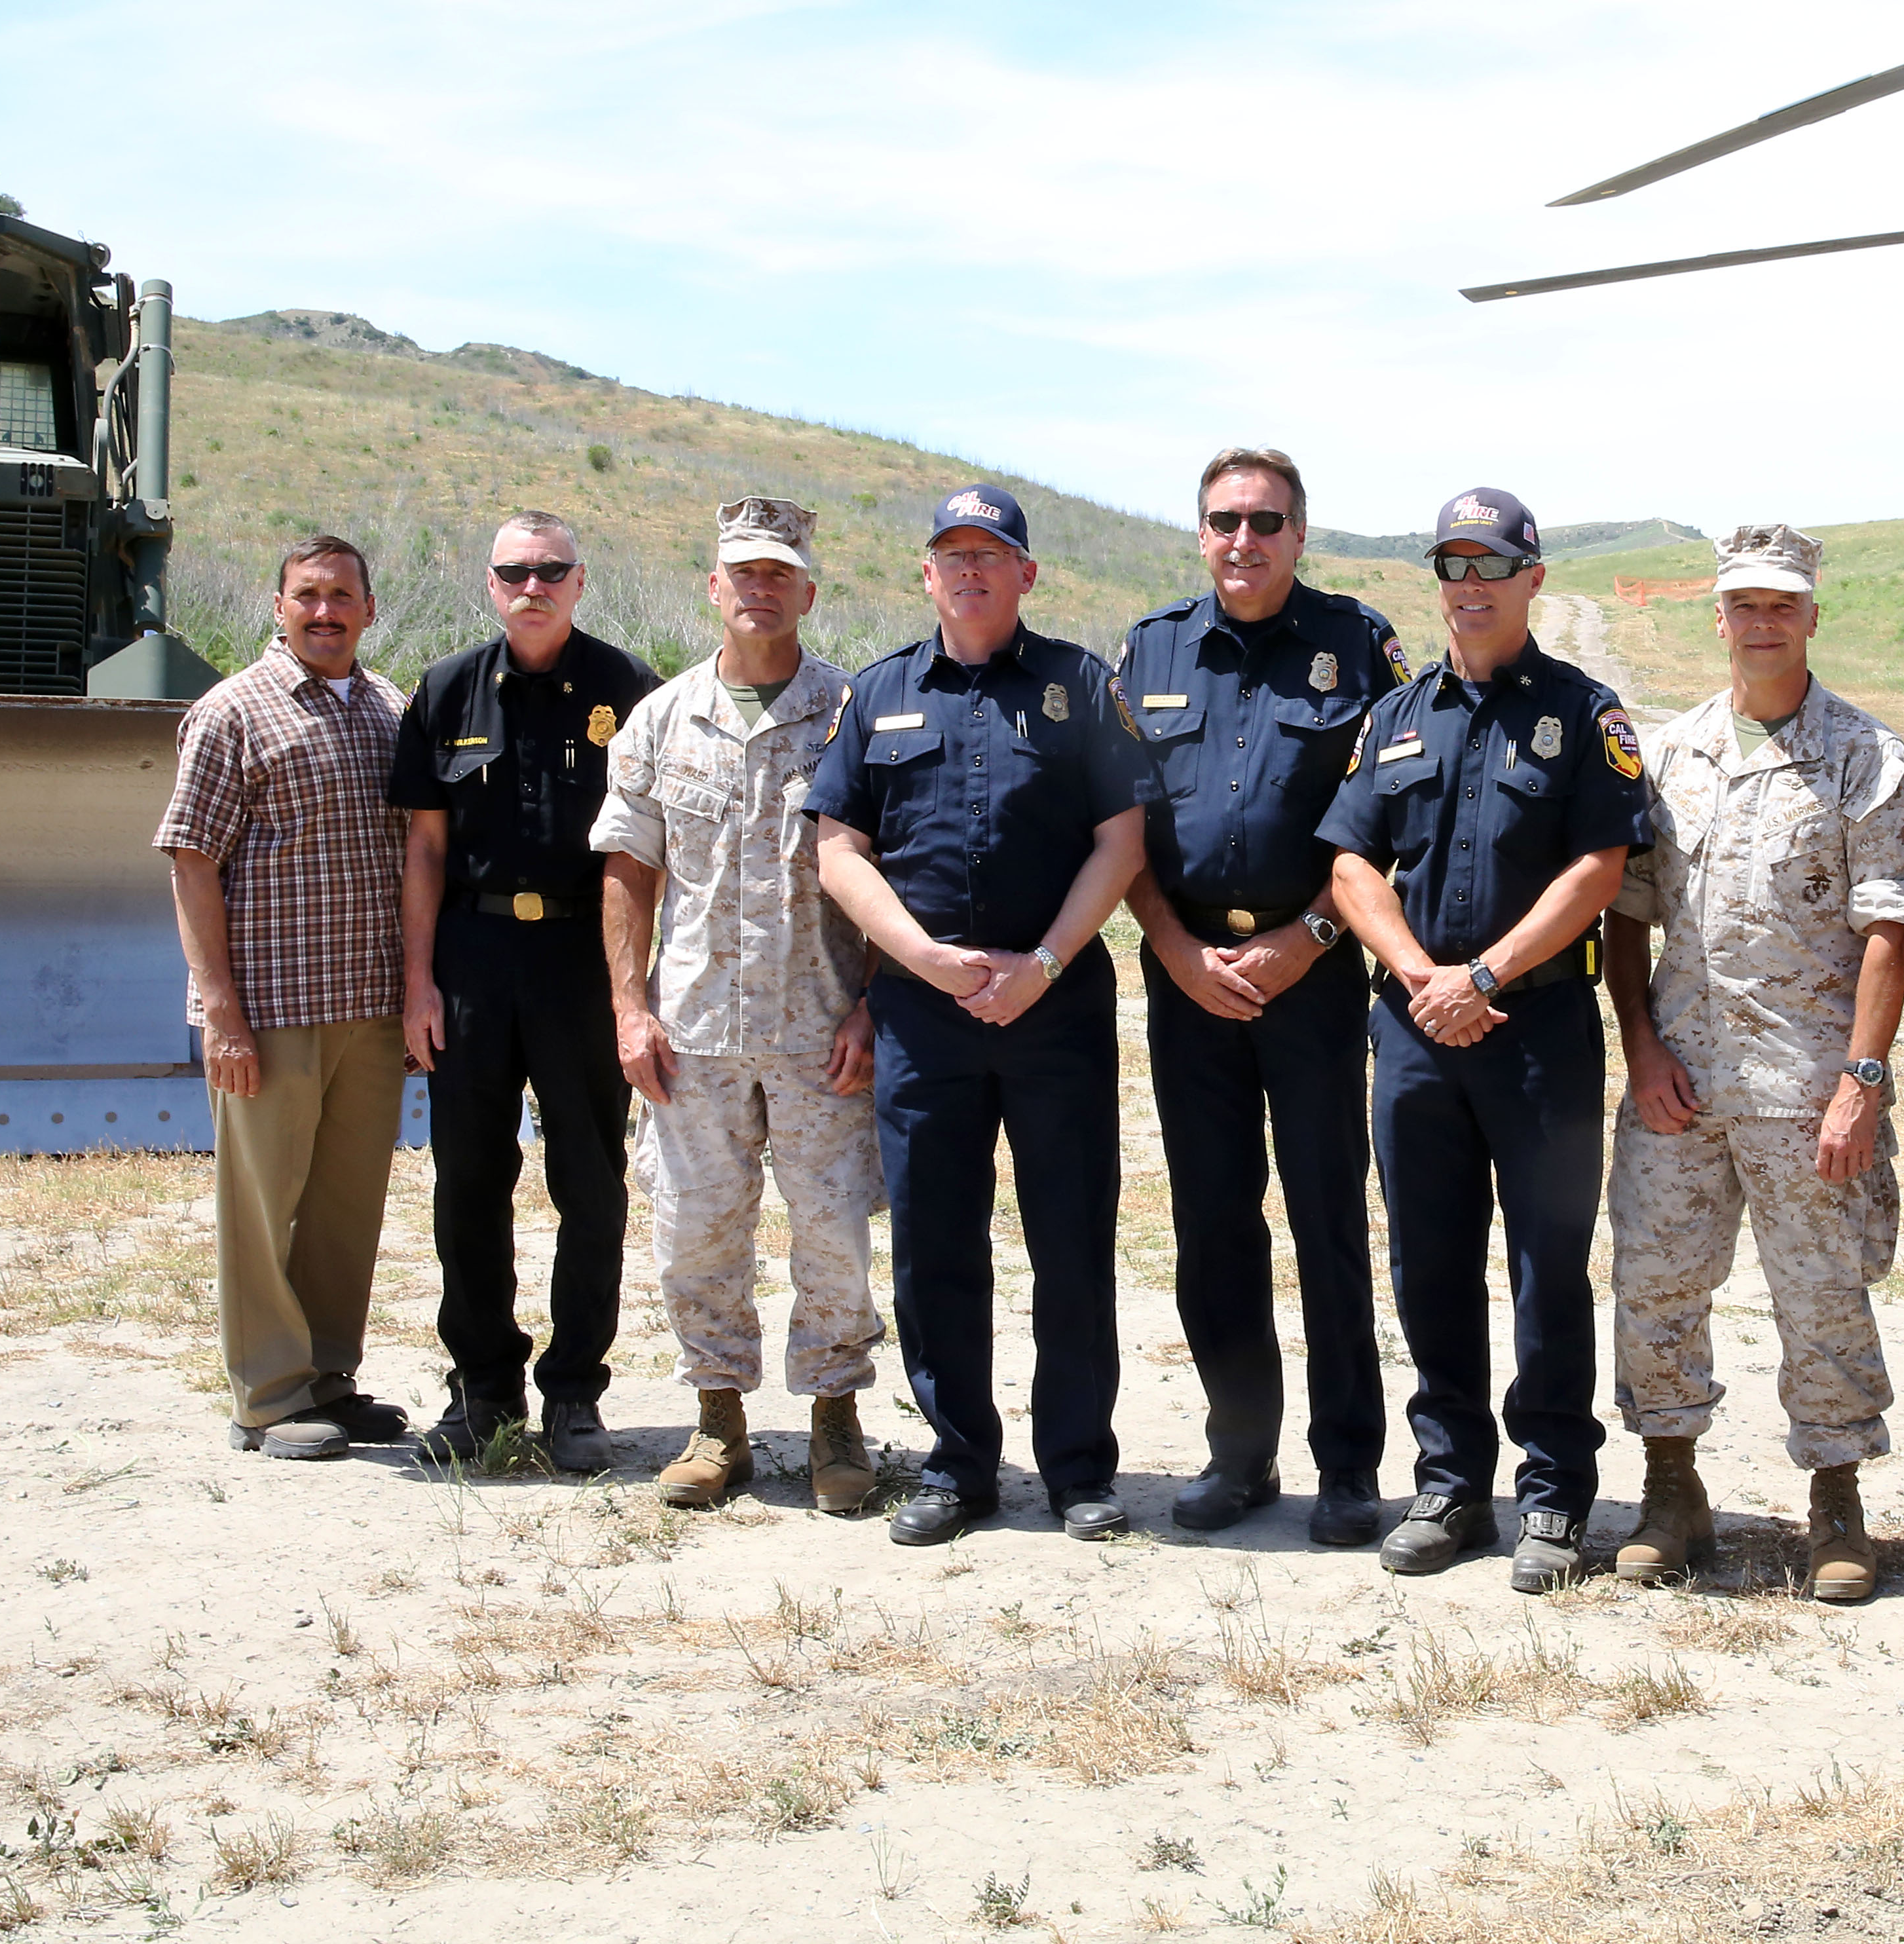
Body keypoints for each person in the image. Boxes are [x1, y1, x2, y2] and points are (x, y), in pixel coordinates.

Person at [808, 484, 1155, 1546]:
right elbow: (836, 849)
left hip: (1054, 1011)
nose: (970, 571)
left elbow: (1123, 836)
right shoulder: (876, 696)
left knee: (1071, 1242)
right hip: (924, 1017)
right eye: (951, 556)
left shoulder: (1082, 687)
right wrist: (920, 960)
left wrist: (1046, 962)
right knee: (936, 1244)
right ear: (926, 575)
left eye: (990, 555)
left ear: (1026, 574)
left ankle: (1079, 1471)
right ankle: (957, 1466)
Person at [1318, 488, 1647, 1588]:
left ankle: (1554, 1495)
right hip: (1416, 1030)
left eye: (1491, 567)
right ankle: (1452, 1481)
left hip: (1539, 1024)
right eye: (1453, 567)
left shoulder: (1585, 714)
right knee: (1429, 1264)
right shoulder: (1398, 713)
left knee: (1548, 1266)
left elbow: (1600, 867)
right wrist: (1421, 977)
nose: (1470, 586)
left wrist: (1488, 973)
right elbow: (1353, 863)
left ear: (1532, 581)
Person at [1601, 523, 1904, 1605]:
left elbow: (1892, 930)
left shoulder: (1868, 759)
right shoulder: (1672, 752)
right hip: (1680, 1080)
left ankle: (1835, 1501)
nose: (1761, 623)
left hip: (1808, 1084)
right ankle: (1670, 1487)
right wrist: (1640, 1045)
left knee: (1824, 1293)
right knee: (1655, 1280)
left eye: (1781, 605)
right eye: (1744, 605)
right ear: (1720, 616)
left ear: (1812, 617)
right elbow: (1630, 914)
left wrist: (1862, 1081)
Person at [1116, 447, 1409, 1546]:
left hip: (1317, 982)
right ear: (1201, 533)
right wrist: (1177, 950)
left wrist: (1313, 935)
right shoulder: (1149, 651)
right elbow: (1124, 829)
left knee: (1329, 1219)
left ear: (1301, 533)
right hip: (1189, 982)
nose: (1246, 539)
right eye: (1226, 520)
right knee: (1213, 1224)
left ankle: (1346, 1470)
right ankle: (1238, 1455)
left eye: (1268, 521)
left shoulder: (1357, 647)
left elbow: (1392, 823)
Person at [591, 498, 883, 1516]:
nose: (759, 589)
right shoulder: (662, 720)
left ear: (809, 590)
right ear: (713, 588)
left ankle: (836, 1418)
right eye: (741, 573)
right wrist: (632, 1008)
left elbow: (902, 867)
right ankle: (718, 1419)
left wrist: (873, 1008)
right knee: (695, 1233)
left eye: (779, 573)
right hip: (695, 1031)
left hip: (821, 1026)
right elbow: (629, 870)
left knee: (835, 1232)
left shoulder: (856, 712)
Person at [390, 513, 662, 1476]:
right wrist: (418, 980)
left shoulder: (628, 690)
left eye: (551, 571)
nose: (532, 587)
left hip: (583, 956)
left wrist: (636, 990)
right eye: (514, 573)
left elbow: (647, 850)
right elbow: (423, 848)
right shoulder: (446, 689)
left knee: (589, 1182)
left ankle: (576, 1393)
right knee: (466, 1178)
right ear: (491, 586)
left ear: (580, 582)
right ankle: (482, 1386)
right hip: (472, 953)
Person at [155, 535, 415, 1462]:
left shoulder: (394, 711)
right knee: (262, 1210)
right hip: (268, 1010)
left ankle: (329, 1379)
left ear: (369, 611)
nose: (325, 612)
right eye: (307, 595)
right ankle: (266, 1396)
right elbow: (191, 862)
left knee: (348, 1205)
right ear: (278, 607)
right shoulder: (232, 713)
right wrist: (218, 1010)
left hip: (371, 1008)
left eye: (342, 596)